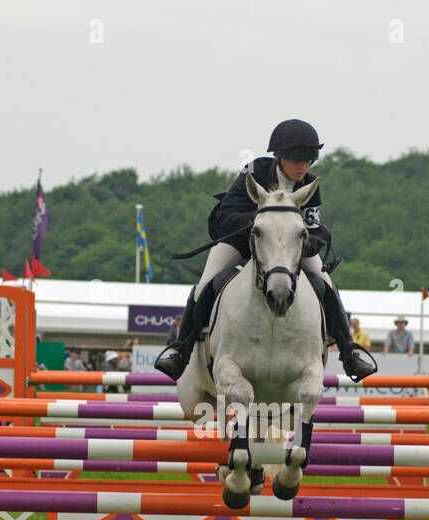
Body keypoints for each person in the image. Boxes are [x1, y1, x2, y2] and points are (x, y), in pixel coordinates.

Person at [154, 119, 376, 382]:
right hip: (242, 242)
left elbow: (314, 231)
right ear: (279, 157)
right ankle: (181, 350)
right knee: (205, 284)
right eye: (297, 160)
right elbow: (225, 214)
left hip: (290, 249)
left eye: (308, 160)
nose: (303, 166)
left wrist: (296, 242)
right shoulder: (253, 172)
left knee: (327, 283)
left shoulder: (310, 186)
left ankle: (349, 351)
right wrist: (256, 224)